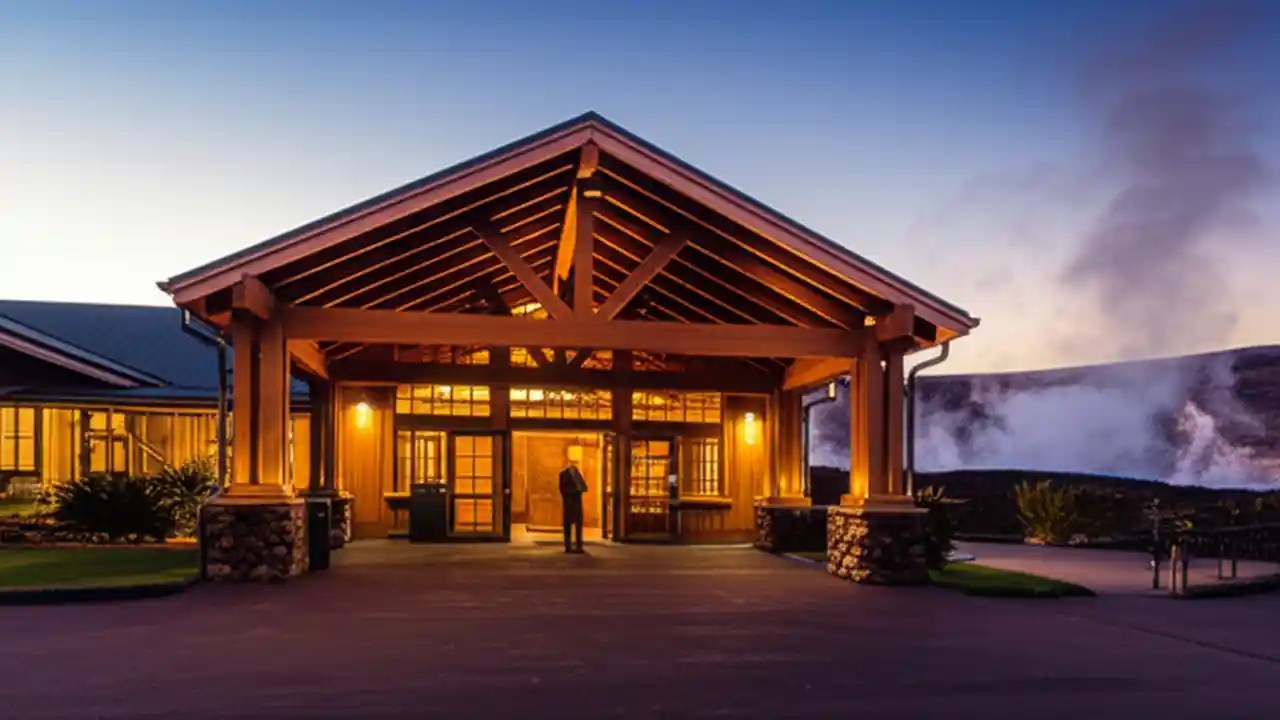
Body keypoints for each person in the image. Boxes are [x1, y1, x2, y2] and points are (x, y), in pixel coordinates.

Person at [558, 445, 588, 554]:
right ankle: (568, 546)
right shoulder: (563, 475)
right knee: (568, 527)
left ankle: (578, 545)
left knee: (578, 526)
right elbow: (562, 489)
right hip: (569, 504)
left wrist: (578, 487)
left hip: (576, 504)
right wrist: (575, 490)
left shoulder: (578, 475)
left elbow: (584, 487)